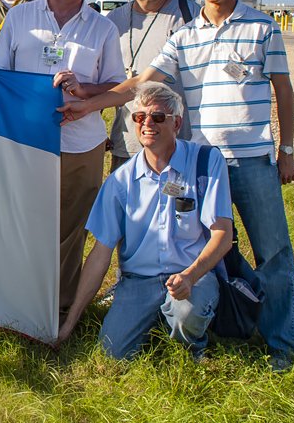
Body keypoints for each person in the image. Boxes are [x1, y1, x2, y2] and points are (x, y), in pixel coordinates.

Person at [60, 0, 294, 370]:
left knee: (273, 253)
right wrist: (87, 105)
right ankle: (213, 318)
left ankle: (283, 344)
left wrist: (286, 150)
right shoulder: (184, 37)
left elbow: (283, 90)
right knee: (211, 248)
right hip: (203, 163)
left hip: (250, 160)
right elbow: (140, 84)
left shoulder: (263, 27)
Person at [0, 0, 125, 319]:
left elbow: (117, 84)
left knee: (71, 230)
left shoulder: (102, 29)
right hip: (25, 143)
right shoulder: (19, 18)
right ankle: (15, 302)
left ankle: (61, 306)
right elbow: (0, 76)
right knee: (21, 221)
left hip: (81, 145)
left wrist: (85, 94)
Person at [56, 82, 233, 359]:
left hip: (191, 275)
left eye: (158, 117)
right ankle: (159, 320)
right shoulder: (120, 181)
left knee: (188, 311)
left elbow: (222, 234)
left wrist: (190, 276)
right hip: (140, 281)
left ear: (177, 123)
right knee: (111, 353)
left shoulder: (207, 162)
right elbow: (100, 254)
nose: (147, 123)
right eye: (140, 117)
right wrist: (68, 325)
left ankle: (190, 344)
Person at [106, 0, 199, 170]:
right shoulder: (112, 21)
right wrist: (98, 130)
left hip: (176, 142)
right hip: (127, 142)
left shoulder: (189, 14)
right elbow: (100, 76)